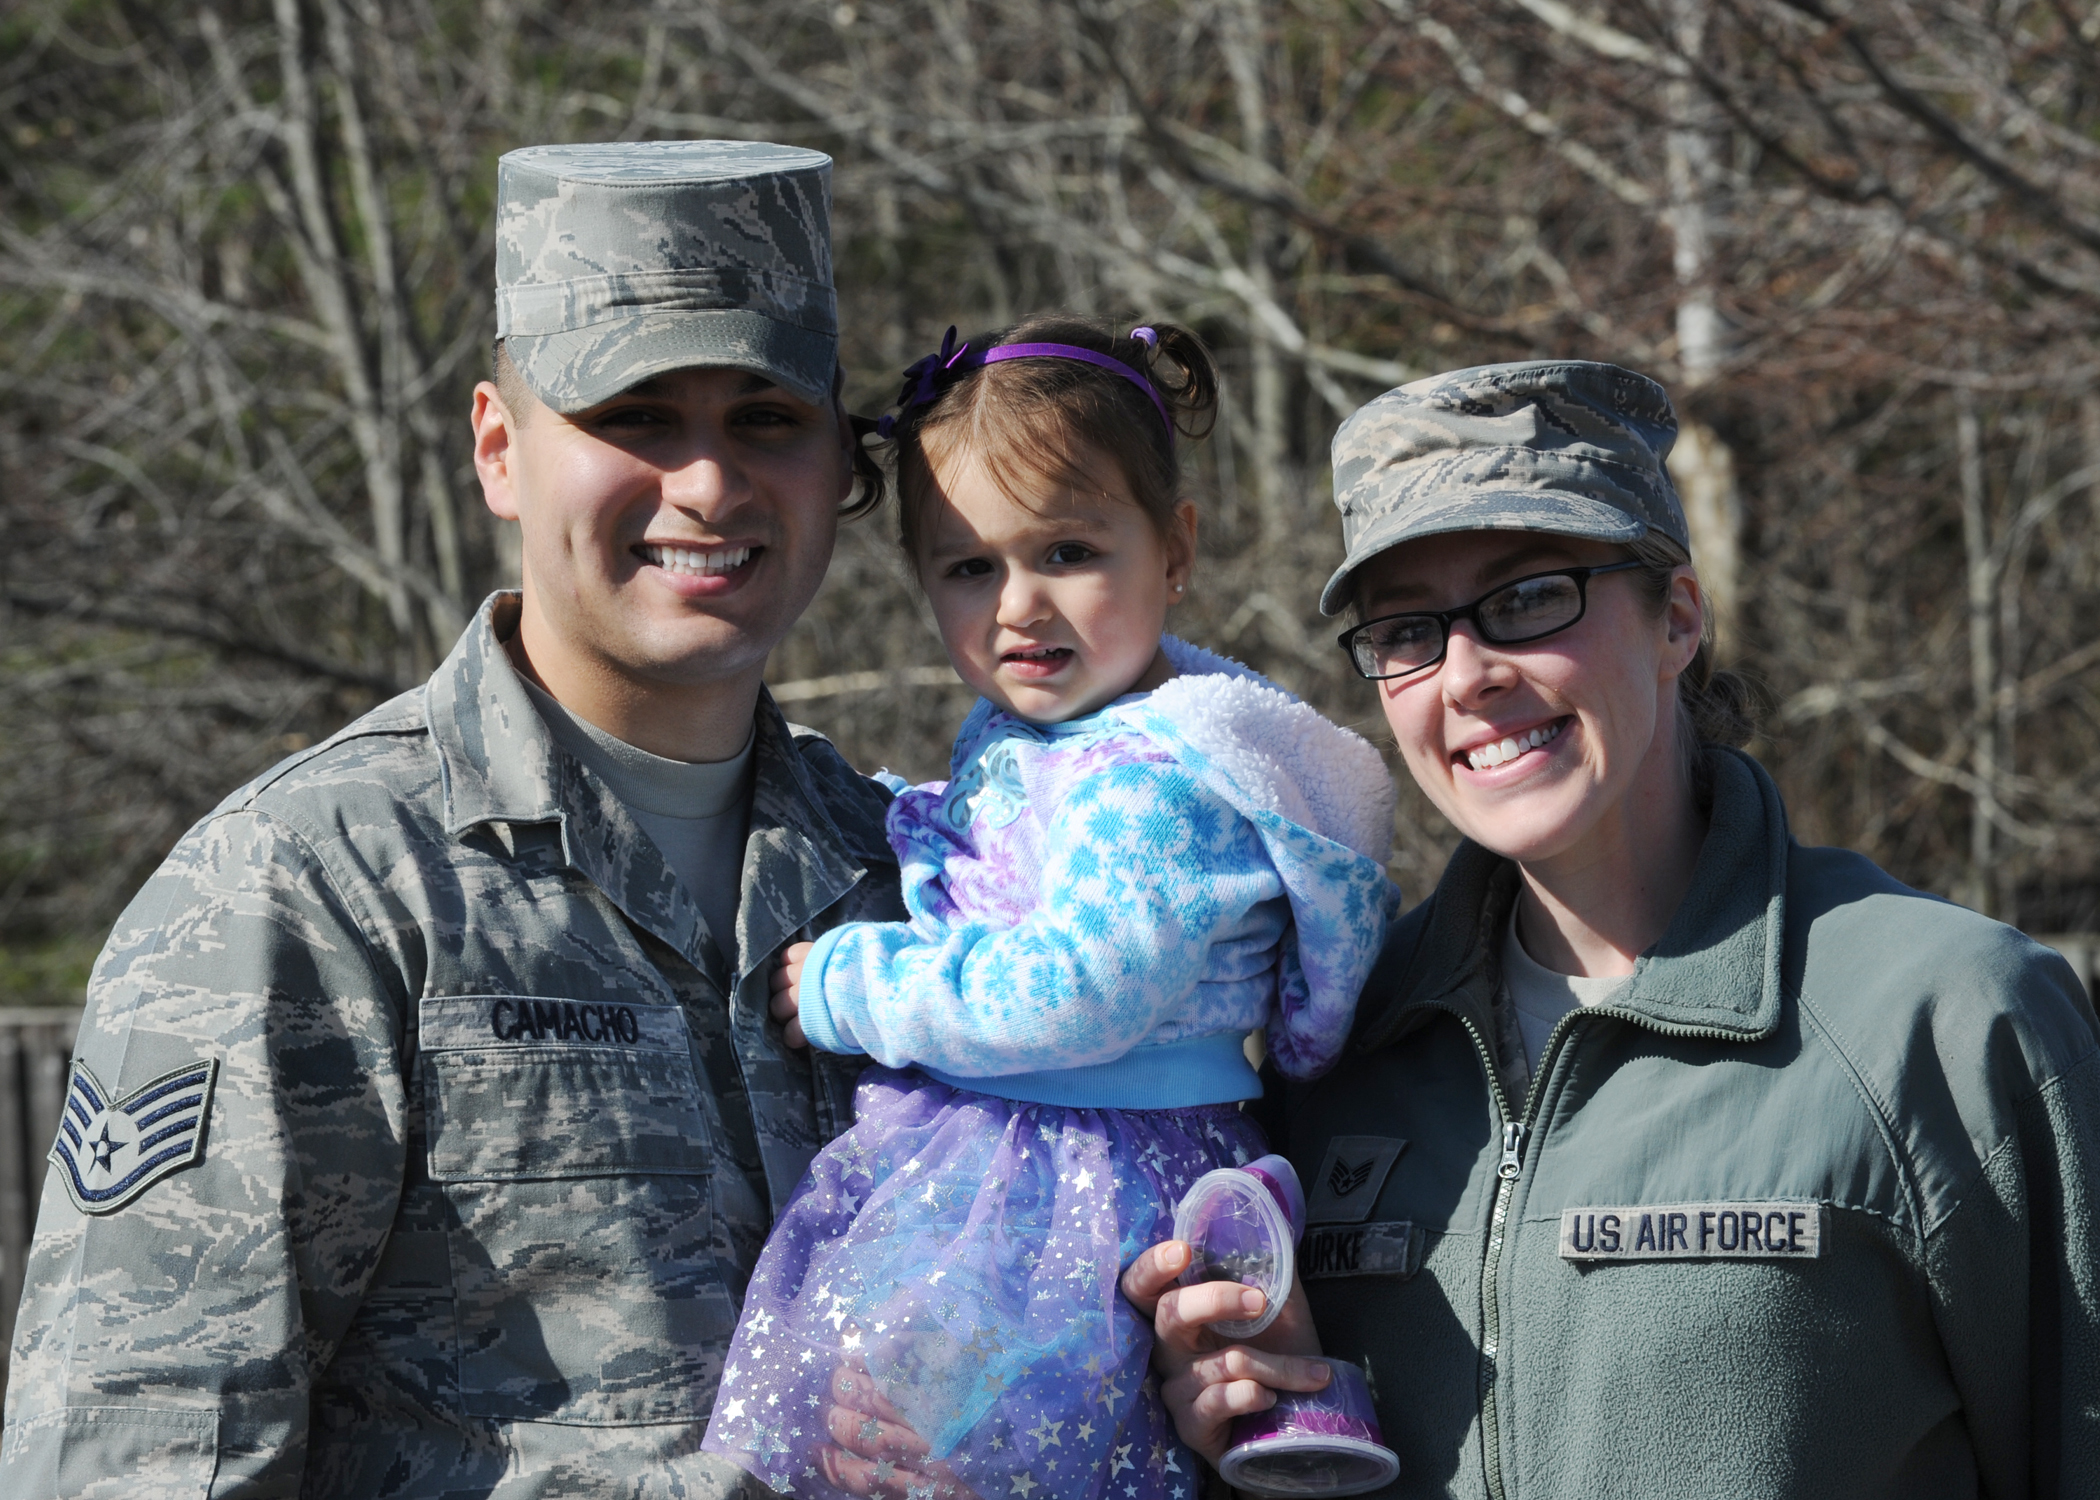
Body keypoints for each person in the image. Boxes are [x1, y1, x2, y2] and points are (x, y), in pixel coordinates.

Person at [0, 140, 907, 1497]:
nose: (710, 485)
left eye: (767, 417)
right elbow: (137, 1460)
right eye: (638, 416)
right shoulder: (308, 893)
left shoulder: (914, 873)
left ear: (838, 454)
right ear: (500, 449)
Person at [1127, 361, 2100, 1497]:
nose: (1470, 675)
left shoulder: (1947, 1023)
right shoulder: (1339, 1046)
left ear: (1678, 616)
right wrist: (1266, 1427)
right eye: (1407, 630)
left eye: (1529, 597)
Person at [700, 317, 1399, 1500]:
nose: (1019, 605)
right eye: (972, 567)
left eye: (1067, 550)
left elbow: (1066, 994)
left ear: (1173, 550)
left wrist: (847, 984)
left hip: (1081, 1172)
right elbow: (1014, 842)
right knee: (881, 1439)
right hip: (1018, 1158)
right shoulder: (1058, 734)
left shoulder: (1162, 781)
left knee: (991, 1457)